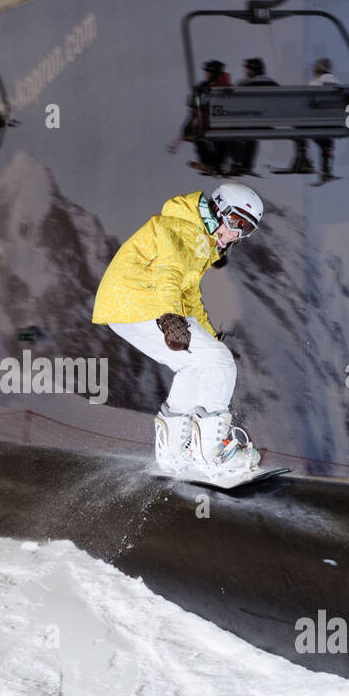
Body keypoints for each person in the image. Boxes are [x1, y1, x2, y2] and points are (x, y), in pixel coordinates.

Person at [91, 182, 265, 477]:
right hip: (140, 299)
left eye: (245, 230)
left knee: (194, 367)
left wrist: (209, 336)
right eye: (236, 221)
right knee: (218, 363)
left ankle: (173, 454)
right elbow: (168, 274)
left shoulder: (199, 239)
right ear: (219, 209)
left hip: (125, 306)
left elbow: (189, 295)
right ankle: (212, 452)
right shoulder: (187, 229)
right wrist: (170, 318)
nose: (236, 233)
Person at [169, 60, 232, 174]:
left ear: (213, 72)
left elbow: (198, 105)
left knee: (200, 137)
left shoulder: (211, 87)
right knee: (210, 137)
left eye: (207, 71)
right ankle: (216, 163)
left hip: (213, 124)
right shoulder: (225, 85)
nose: (205, 74)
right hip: (223, 124)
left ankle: (210, 163)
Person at [290, 57, 340, 185]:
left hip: (314, 123)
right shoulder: (338, 85)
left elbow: (305, 103)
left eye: (315, 67)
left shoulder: (315, 84)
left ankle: (303, 159)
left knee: (298, 128)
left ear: (319, 69)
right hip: (332, 125)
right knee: (326, 141)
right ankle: (326, 170)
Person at [228, 58, 278, 175]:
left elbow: (232, 100)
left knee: (232, 132)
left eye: (248, 69)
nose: (246, 71)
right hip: (267, 122)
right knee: (252, 134)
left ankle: (237, 163)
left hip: (248, 121)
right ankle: (247, 165)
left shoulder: (244, 83)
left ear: (253, 70)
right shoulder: (272, 83)